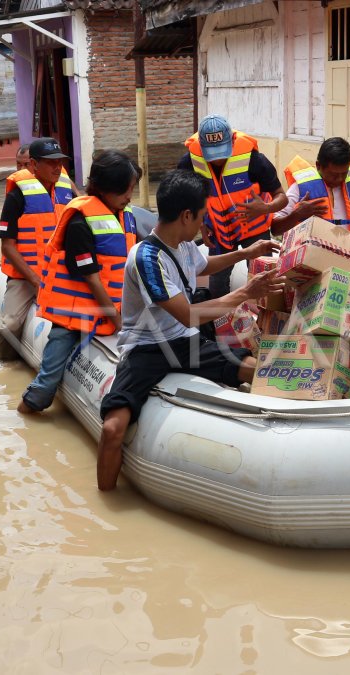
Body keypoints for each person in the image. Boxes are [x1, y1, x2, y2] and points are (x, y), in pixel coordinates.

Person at [96, 170, 280, 490]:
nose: (203, 225)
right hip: (147, 349)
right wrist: (247, 292)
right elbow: (189, 317)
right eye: (201, 217)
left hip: (185, 343)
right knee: (113, 429)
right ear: (186, 216)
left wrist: (247, 253)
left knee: (254, 368)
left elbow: (203, 265)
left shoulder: (183, 244)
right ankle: (106, 508)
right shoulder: (146, 258)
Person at [17, 150, 141, 414]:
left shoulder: (124, 214)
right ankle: (29, 405)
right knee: (47, 383)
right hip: (73, 318)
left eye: (132, 189)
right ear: (108, 188)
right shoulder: (79, 220)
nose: (130, 196)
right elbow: (93, 279)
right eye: (126, 190)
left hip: (112, 309)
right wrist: (118, 321)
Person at [177, 115, 286, 298]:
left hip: (254, 230)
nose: (218, 160)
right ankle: (221, 323)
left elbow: (282, 197)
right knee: (217, 283)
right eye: (212, 154)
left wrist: (265, 208)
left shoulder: (255, 160)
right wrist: (202, 226)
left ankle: (263, 320)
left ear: (232, 141)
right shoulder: (188, 163)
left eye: (222, 151)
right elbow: (186, 200)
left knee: (264, 278)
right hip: (218, 231)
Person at [0, 137, 77, 361]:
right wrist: (34, 280)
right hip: (26, 277)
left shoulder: (67, 191)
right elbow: (7, 247)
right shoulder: (16, 196)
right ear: (33, 164)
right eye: (51, 162)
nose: (57, 167)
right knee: (10, 325)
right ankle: (7, 366)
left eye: (60, 161)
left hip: (59, 275)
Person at [272, 136, 350, 244]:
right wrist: (296, 214)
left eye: (344, 173)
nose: (340, 179)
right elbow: (275, 229)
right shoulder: (299, 189)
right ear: (318, 166)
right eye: (334, 175)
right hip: (316, 259)